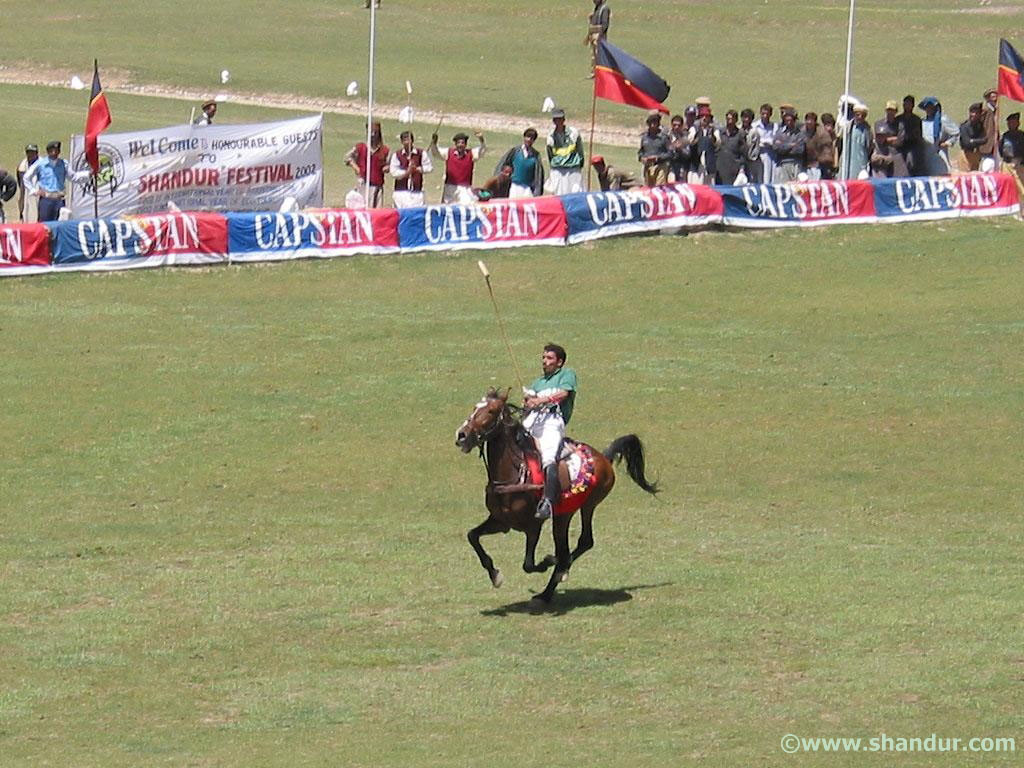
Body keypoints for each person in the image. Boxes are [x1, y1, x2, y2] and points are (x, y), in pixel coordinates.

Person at [522, 343, 578, 520]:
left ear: (559, 362)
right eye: (543, 358)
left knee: (548, 456)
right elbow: (529, 403)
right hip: (533, 420)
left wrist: (541, 400)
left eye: (549, 358)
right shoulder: (538, 382)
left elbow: (564, 394)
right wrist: (529, 402)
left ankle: (548, 501)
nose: (545, 361)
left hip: (553, 421)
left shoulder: (566, 374)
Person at [431, 130, 486, 204]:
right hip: (450, 188)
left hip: (465, 188)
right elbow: (436, 153)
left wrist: (481, 139)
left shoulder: (471, 154)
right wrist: (434, 143)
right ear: (455, 144)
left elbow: (481, 151)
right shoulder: (449, 152)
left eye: (462, 143)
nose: (460, 145)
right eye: (458, 143)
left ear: (466, 144)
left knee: (466, 207)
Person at [346, 122, 390, 207]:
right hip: (364, 184)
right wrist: (355, 167)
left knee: (377, 212)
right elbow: (347, 158)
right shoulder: (361, 147)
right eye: (371, 132)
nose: (373, 135)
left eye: (375, 133)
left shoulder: (384, 150)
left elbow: (389, 164)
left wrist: (387, 167)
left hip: (377, 185)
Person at [23, 140, 69, 222]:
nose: (54, 153)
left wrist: (88, 174)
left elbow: (74, 176)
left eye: (57, 150)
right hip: (46, 199)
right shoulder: (40, 163)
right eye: (52, 150)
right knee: (44, 225)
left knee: (59, 225)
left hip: (59, 199)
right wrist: (34, 190)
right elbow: (26, 177)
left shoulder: (63, 163)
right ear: (48, 151)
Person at [494, 128, 545, 198]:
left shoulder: (536, 155)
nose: (529, 140)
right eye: (527, 137)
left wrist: (537, 192)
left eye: (532, 138)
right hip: (513, 186)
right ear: (524, 137)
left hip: (527, 189)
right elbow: (503, 164)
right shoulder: (515, 151)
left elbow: (538, 175)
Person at [389, 130, 432, 209]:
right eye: (405, 140)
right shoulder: (397, 155)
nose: (407, 142)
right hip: (401, 192)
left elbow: (429, 167)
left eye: (409, 139)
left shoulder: (421, 153)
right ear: (401, 142)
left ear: (412, 140)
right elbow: (394, 172)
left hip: (417, 192)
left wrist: (418, 169)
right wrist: (407, 172)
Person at [546, 109, 585, 195]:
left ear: (564, 119)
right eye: (556, 119)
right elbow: (550, 155)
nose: (558, 121)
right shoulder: (550, 136)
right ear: (553, 121)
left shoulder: (574, 133)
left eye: (560, 119)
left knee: (575, 193)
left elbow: (580, 150)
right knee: (558, 194)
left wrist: (580, 164)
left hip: (573, 168)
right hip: (558, 169)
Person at [918, 97, 958, 175]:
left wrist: (947, 143)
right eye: (927, 107)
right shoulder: (923, 121)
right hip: (925, 153)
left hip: (939, 152)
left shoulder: (943, 120)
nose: (928, 109)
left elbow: (956, 133)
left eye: (930, 107)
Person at [874, 102, 908, 177]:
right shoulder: (879, 123)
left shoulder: (900, 125)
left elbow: (900, 141)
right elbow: (879, 140)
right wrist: (893, 138)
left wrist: (886, 139)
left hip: (896, 157)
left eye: (892, 110)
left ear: (896, 111)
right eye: (888, 110)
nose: (890, 112)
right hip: (882, 157)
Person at [772, 107, 806, 182]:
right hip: (782, 163)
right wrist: (791, 145)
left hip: (795, 163)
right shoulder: (780, 133)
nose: (789, 122)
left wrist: (783, 145)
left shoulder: (800, 134)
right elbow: (776, 148)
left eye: (791, 120)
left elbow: (799, 149)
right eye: (787, 120)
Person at [893, 95, 925, 175]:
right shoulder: (898, 119)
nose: (906, 106)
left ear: (912, 106)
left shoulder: (916, 119)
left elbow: (919, 135)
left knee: (911, 164)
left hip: (912, 146)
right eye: (905, 104)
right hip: (900, 147)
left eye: (909, 104)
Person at [688, 108, 720, 184]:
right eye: (702, 116)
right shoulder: (694, 129)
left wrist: (712, 136)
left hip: (709, 165)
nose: (704, 118)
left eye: (707, 116)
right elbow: (690, 141)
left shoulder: (714, 130)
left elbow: (718, 143)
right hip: (696, 165)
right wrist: (697, 135)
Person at [638, 113, 671, 186]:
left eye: (654, 123)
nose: (652, 125)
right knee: (648, 189)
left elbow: (670, 154)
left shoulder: (664, 137)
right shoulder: (644, 137)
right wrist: (642, 158)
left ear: (658, 124)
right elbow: (641, 152)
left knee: (659, 188)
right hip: (647, 167)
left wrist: (657, 158)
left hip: (660, 166)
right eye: (650, 123)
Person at [715, 109, 747, 185]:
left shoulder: (740, 134)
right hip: (720, 168)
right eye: (728, 119)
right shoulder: (720, 132)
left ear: (736, 120)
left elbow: (743, 153)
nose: (729, 121)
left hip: (734, 169)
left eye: (732, 119)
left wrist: (741, 168)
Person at [841, 104, 873, 179]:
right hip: (847, 160)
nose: (860, 117)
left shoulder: (867, 129)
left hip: (861, 161)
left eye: (863, 115)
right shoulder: (848, 127)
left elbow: (869, 146)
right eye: (858, 115)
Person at [749, 103, 778, 184]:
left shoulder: (774, 126)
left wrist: (768, 142)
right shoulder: (755, 126)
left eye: (767, 114)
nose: (765, 116)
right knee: (758, 178)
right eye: (763, 114)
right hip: (758, 155)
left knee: (769, 178)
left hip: (770, 155)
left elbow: (775, 140)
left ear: (770, 114)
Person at [802, 112, 832, 181]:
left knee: (815, 183)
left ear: (815, 122)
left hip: (818, 165)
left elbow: (826, 149)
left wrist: (822, 160)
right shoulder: (802, 131)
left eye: (811, 120)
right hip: (805, 164)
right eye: (807, 120)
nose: (809, 122)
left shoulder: (822, 133)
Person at [959, 102, 988, 171]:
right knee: (965, 176)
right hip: (966, 154)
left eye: (977, 113)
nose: (974, 115)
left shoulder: (980, 126)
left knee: (975, 174)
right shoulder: (965, 126)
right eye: (972, 112)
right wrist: (978, 141)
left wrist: (973, 141)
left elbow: (985, 140)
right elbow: (966, 142)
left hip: (976, 154)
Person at [585, 0, 611, 73]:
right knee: (594, 56)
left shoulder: (605, 9)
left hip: (599, 37)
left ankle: (599, 72)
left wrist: (594, 29)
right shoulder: (597, 8)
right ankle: (594, 71)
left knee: (599, 55)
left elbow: (604, 26)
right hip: (593, 36)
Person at [16, 143, 40, 222]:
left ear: (37, 153)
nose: (30, 154)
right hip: (25, 192)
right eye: (28, 152)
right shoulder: (22, 166)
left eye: (33, 152)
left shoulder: (42, 164)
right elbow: (20, 182)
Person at [667, 113, 693, 183]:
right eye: (674, 125)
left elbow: (688, 154)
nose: (676, 127)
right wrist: (672, 148)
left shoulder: (685, 138)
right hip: (669, 167)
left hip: (682, 166)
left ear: (682, 126)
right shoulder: (667, 137)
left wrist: (680, 149)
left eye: (679, 125)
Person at [1000, 112, 1024, 184]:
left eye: (1014, 122)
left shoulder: (1022, 135)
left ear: (1018, 123)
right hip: (1007, 164)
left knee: (1020, 186)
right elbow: (1000, 149)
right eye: (1009, 123)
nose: (1011, 125)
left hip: (1019, 164)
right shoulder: (1005, 136)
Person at [740, 108, 762, 183]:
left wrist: (751, 158)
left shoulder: (754, 132)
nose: (745, 120)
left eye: (748, 118)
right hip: (739, 161)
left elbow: (756, 148)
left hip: (751, 161)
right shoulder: (738, 129)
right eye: (744, 117)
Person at [980, 88, 999, 161]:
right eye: (993, 98)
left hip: (994, 143)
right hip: (986, 143)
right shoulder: (986, 110)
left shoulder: (995, 110)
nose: (995, 100)